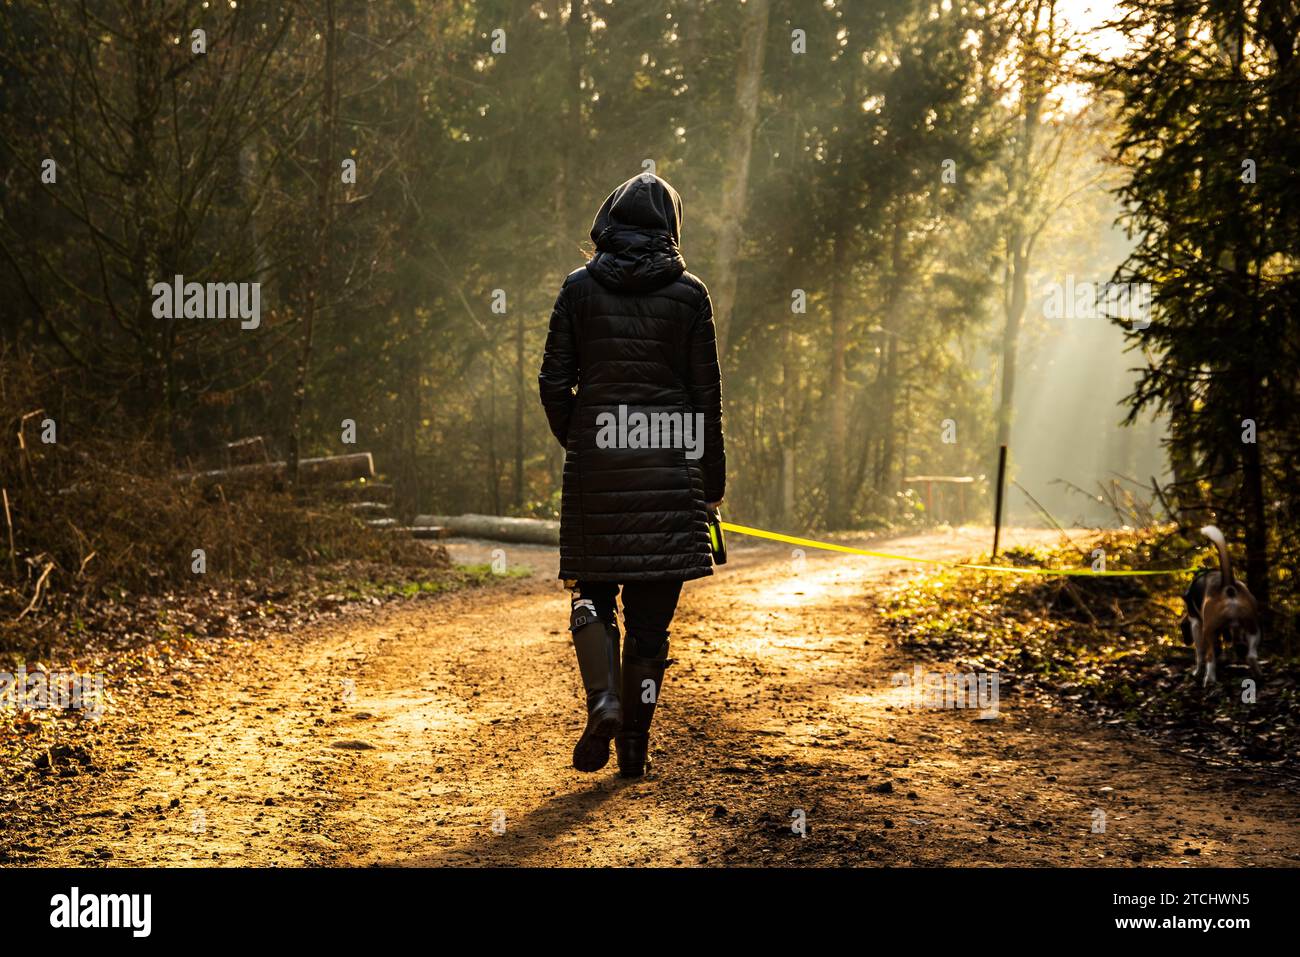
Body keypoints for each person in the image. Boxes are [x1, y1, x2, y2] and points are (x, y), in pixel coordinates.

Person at [538, 172, 725, 778]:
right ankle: (634, 748)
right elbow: (705, 400)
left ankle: (604, 701)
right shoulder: (691, 296)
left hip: (599, 471)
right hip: (671, 473)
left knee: (592, 594)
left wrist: (584, 438)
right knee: (650, 626)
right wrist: (710, 484)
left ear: (609, 222)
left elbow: (552, 382)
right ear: (671, 226)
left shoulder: (577, 288)